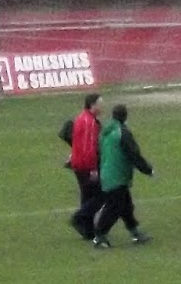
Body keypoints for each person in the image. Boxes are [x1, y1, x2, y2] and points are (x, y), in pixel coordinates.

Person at [90, 103, 154, 248]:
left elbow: (99, 153)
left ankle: (135, 232)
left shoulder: (105, 132)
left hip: (107, 173)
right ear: (125, 117)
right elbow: (133, 154)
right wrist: (147, 170)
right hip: (117, 175)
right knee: (114, 207)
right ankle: (99, 236)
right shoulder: (122, 133)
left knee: (126, 206)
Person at [57, 92, 104, 240]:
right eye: (100, 103)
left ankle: (88, 230)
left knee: (87, 195)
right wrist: (93, 168)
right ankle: (79, 217)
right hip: (85, 165)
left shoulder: (81, 118)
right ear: (93, 105)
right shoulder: (90, 122)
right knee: (101, 195)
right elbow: (89, 147)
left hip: (78, 163)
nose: (102, 106)